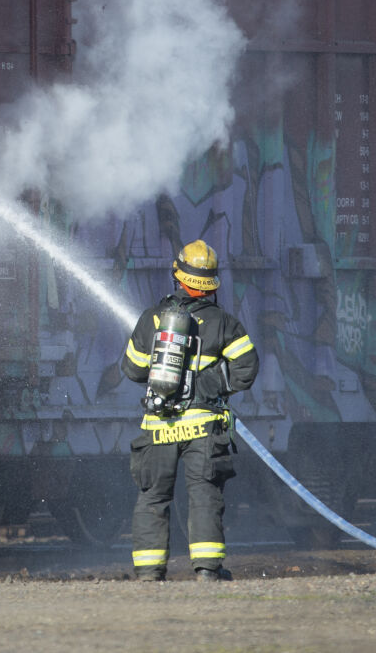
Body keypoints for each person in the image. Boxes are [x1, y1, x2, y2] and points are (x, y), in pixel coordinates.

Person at [120, 239, 259, 582]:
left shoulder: (152, 319)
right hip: (203, 429)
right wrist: (211, 384)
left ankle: (150, 575)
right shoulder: (224, 323)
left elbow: (133, 370)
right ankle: (207, 572)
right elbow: (247, 369)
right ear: (211, 283)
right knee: (204, 497)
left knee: (153, 499)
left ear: (178, 277)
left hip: (159, 427)